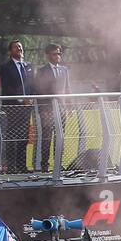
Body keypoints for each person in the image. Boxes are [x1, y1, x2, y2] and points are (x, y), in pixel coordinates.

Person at [32, 43, 70, 172]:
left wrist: (68, 105)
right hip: (47, 109)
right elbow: (38, 90)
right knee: (47, 136)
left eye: (59, 53)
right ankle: (44, 165)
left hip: (61, 108)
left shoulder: (64, 70)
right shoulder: (42, 71)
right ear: (48, 56)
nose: (57, 56)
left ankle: (58, 163)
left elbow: (67, 89)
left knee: (60, 137)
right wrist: (44, 108)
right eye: (54, 54)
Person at [0, 40, 31, 174]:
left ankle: (22, 166)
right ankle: (11, 167)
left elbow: (33, 84)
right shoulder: (6, 67)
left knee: (24, 137)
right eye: (16, 47)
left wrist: (31, 98)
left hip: (27, 107)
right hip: (13, 106)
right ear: (10, 51)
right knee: (13, 137)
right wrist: (21, 99)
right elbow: (7, 87)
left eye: (20, 47)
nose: (19, 49)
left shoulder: (28, 65)